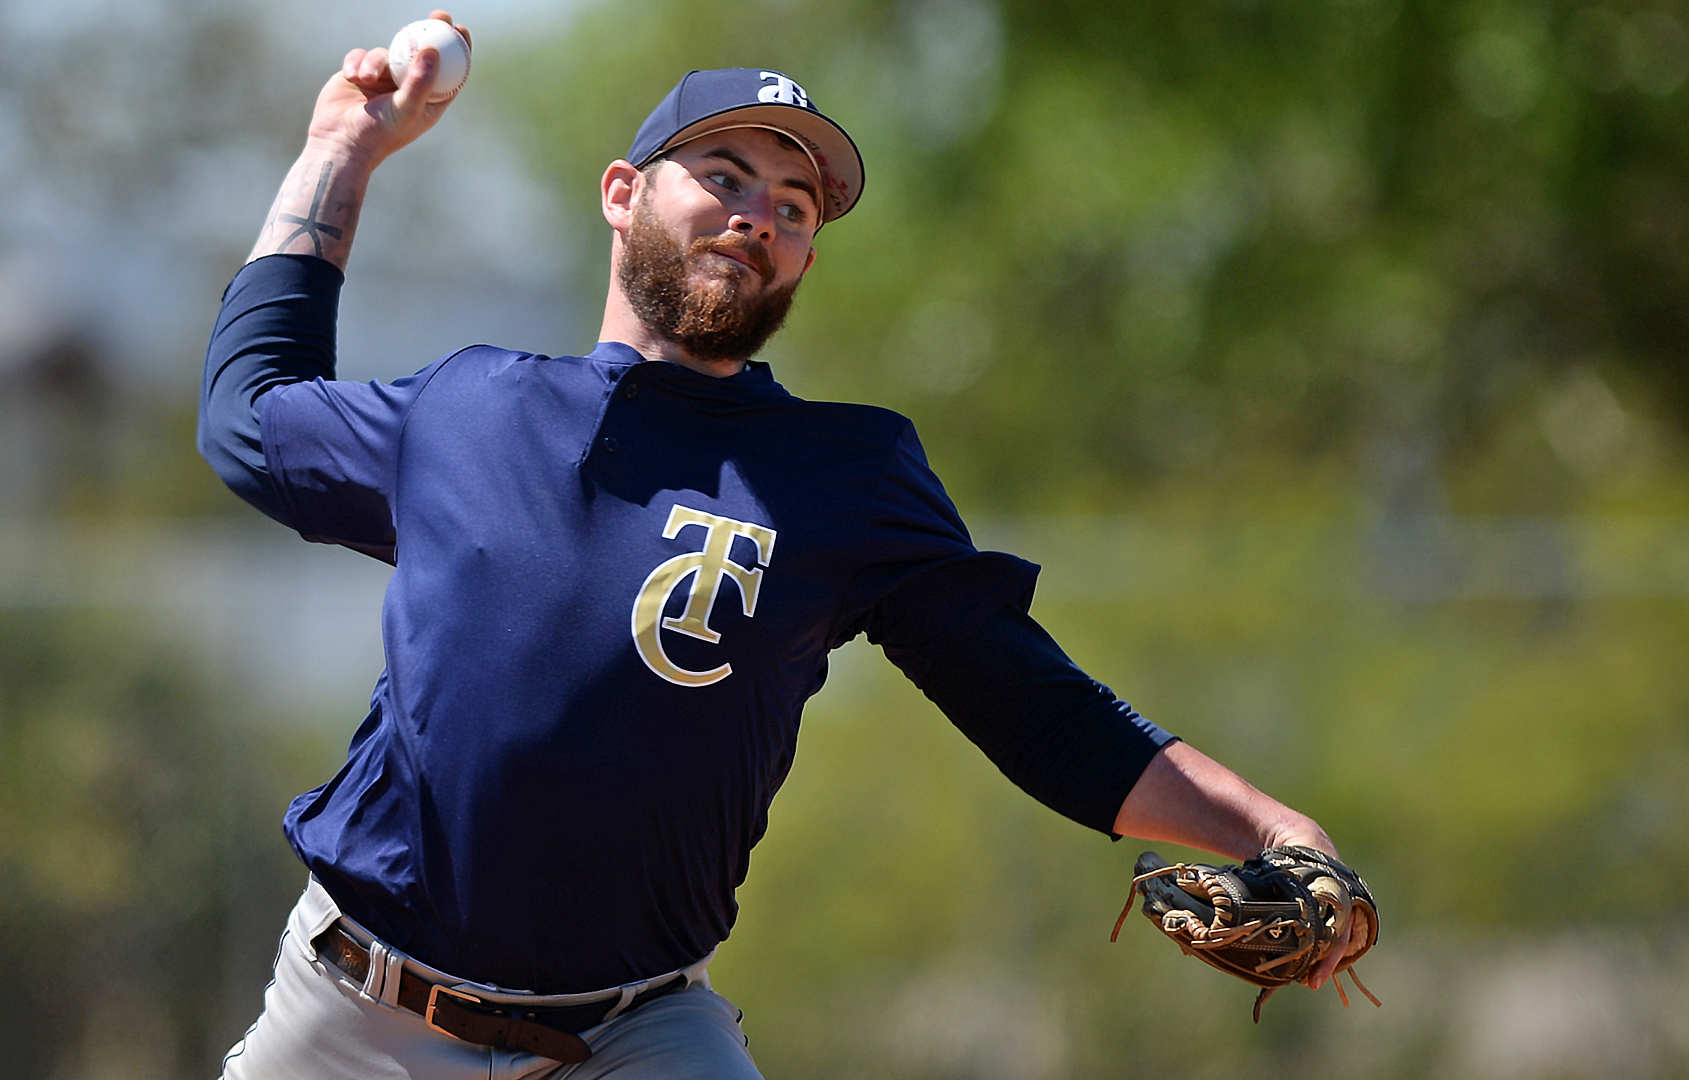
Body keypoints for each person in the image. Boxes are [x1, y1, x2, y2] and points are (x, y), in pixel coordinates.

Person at [198, 13, 1354, 1079]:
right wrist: (343, 150)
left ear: (804, 260)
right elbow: (248, 418)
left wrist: (1268, 828)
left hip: (635, 1034)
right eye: (723, 175)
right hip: (354, 1016)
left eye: (796, 207)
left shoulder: (843, 476)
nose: (760, 215)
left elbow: (1037, 708)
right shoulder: (468, 410)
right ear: (622, 195)